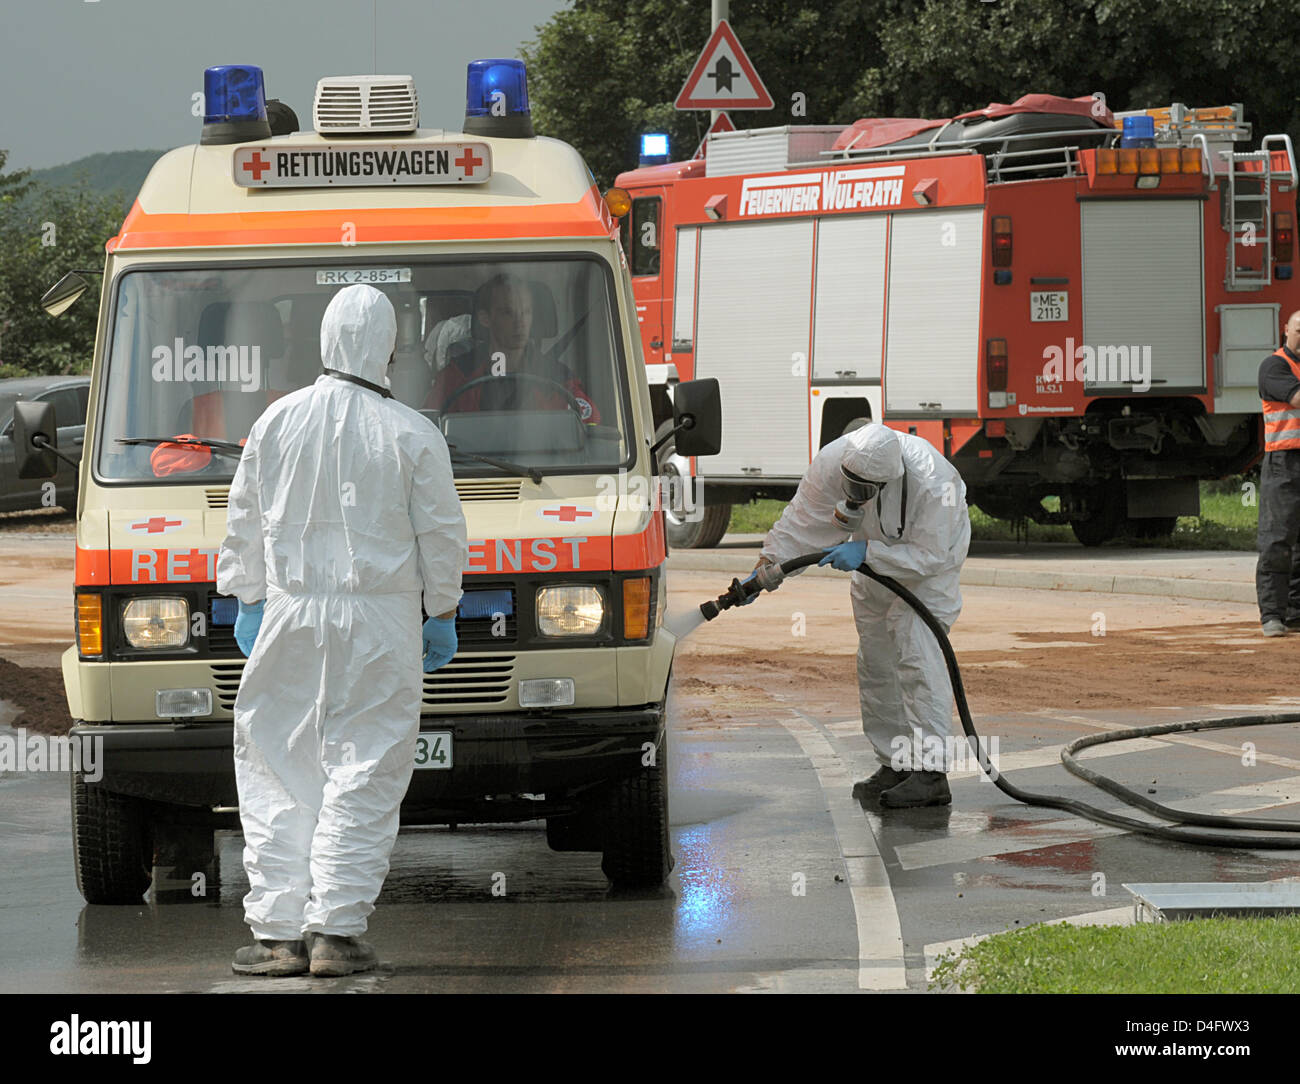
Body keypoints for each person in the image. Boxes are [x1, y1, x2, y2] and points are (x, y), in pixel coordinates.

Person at [217, 283, 468, 977]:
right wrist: (441, 612)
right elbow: (441, 534)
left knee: (277, 763)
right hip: (381, 619)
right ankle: (336, 933)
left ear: (324, 340)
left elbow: (244, 518)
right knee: (366, 765)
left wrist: (248, 597)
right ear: (390, 347)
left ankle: (277, 935)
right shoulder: (413, 432)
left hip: (292, 613)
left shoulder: (275, 421)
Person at [755, 423, 970, 808]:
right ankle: (896, 762)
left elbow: (930, 555)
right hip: (872, 557)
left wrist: (868, 554)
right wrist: (770, 565)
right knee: (876, 659)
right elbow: (803, 519)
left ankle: (932, 773)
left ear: (889, 481)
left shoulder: (937, 483)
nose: (854, 497)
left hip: (929, 565)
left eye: (864, 492)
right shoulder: (833, 460)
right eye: (851, 486)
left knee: (918, 651)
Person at [424, 272, 600, 422]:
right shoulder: (457, 374)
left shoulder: (558, 377)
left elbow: (590, 428)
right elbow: (427, 427)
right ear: (485, 319)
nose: (520, 323)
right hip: (471, 463)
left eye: (526, 312)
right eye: (508, 312)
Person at [1256, 309, 1300, 637]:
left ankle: (1295, 613)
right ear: (1286, 329)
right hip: (1283, 463)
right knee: (1278, 540)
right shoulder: (1275, 366)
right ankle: (1272, 614)